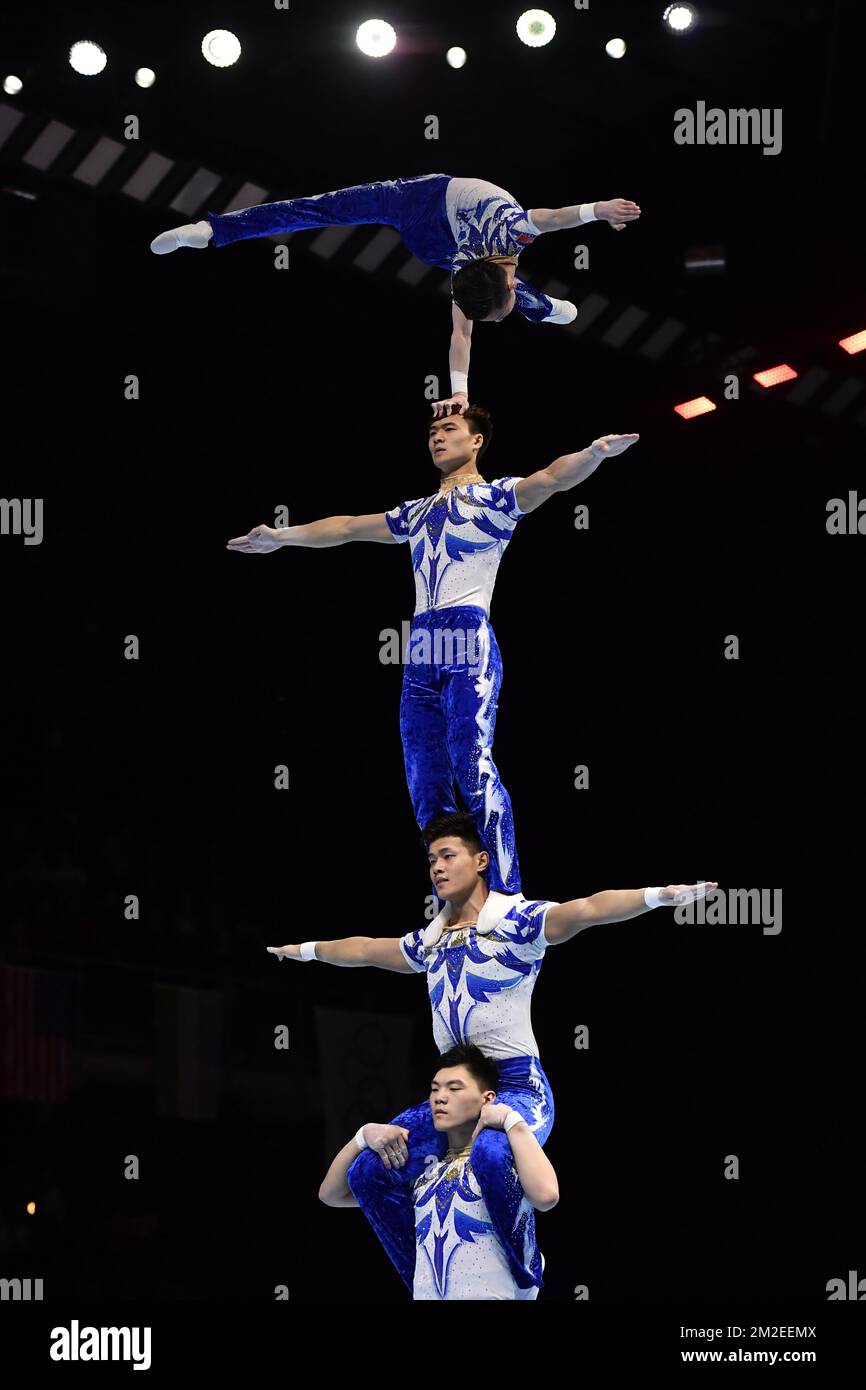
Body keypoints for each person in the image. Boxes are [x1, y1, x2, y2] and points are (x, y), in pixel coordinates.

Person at [268, 809, 716, 1294]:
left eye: (447, 855)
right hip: (459, 1091)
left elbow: (589, 908)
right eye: (430, 859)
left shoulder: (517, 924)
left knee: (490, 1150)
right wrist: (306, 949)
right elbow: (364, 950)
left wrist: (660, 897)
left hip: (518, 1088)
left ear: (481, 860)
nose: (436, 867)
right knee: (370, 1170)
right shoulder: (428, 944)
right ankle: (424, 1278)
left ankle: (525, 1274)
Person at [227, 408, 639, 894]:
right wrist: (281, 538)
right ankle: (457, 895)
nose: (437, 439)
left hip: (467, 637)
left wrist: (593, 454)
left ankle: (506, 893)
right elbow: (345, 528)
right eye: (431, 433)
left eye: (448, 430)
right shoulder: (415, 512)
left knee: (471, 760)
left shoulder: (496, 498)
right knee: (424, 779)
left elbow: (550, 479)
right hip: (421, 645)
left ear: (478, 441)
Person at [149, 173, 640, 415]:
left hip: (434, 232)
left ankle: (546, 309)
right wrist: (601, 209)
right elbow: (551, 217)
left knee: (318, 211)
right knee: (318, 209)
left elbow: (462, 335)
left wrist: (600, 210)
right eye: (504, 308)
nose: (495, 318)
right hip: (418, 201)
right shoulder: (511, 232)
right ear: (509, 281)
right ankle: (208, 233)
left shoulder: (466, 272)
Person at [318, 1043, 559, 1300]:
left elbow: (547, 1196)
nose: (439, 1097)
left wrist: (511, 1121)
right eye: (434, 1089)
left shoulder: (500, 1163)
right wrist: (363, 1136)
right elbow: (331, 1194)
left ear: (487, 1099)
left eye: (454, 1088)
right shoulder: (424, 1178)